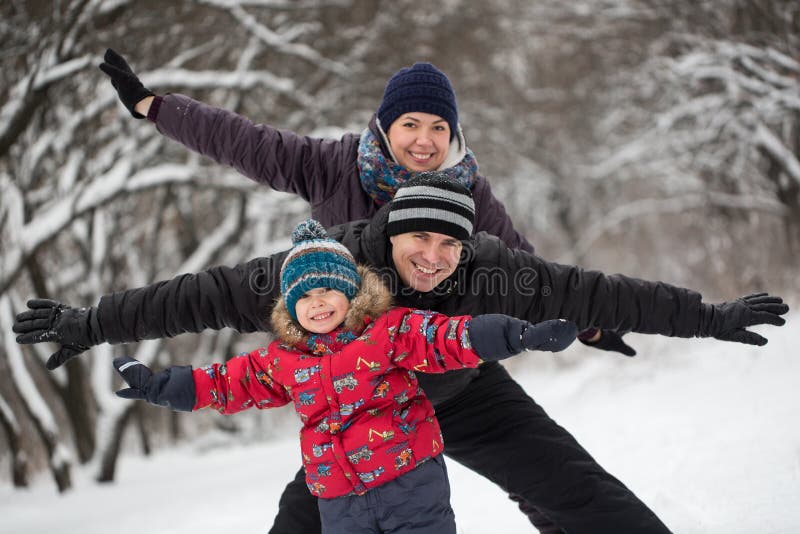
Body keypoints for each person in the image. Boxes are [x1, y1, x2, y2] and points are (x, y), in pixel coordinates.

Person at [13, 174, 789, 534]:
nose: (435, 257)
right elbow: (200, 294)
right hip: (359, 419)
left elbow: (598, 293)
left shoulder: (491, 268)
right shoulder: (326, 269)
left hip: (465, 397)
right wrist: (92, 322)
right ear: (388, 235)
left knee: (584, 496)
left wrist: (710, 317)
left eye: (449, 243)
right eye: (421, 237)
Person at [99, 49, 634, 532]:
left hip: (458, 382)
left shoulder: (469, 194)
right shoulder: (332, 167)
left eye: (438, 128)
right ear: (384, 126)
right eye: (410, 124)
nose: (424, 140)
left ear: (453, 135)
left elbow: (527, 277)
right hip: (358, 397)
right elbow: (243, 141)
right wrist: (154, 107)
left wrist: (586, 321)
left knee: (576, 491)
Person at [110, 218, 578, 534]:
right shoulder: (282, 359)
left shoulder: (389, 331)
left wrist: (521, 336)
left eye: (330, 289)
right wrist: (158, 386)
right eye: (306, 295)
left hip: (408, 484)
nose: (318, 302)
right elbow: (225, 383)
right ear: (291, 305)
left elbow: (451, 338)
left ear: (351, 291)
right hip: (339, 499)